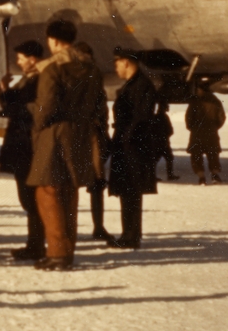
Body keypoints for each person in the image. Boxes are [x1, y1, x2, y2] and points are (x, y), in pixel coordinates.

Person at [26, 19, 107, 270]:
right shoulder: (91, 68)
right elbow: (98, 104)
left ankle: (58, 253)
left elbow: (45, 106)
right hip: (81, 134)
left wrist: (36, 124)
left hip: (54, 134)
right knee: (69, 192)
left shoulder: (53, 68)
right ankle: (67, 249)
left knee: (47, 192)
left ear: (53, 40)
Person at [0, 40, 46, 261]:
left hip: (27, 145)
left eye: (21, 58)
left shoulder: (39, 80)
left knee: (31, 199)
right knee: (28, 198)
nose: (18, 62)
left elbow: (28, 109)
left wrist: (12, 105)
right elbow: (14, 103)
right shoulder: (28, 79)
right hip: (22, 145)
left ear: (32, 59)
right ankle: (34, 243)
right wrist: (5, 90)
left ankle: (36, 244)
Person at [109, 47, 159, 248]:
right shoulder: (133, 85)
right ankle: (128, 234)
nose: (115, 68)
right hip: (126, 145)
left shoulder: (142, 86)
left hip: (134, 148)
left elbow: (142, 117)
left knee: (131, 192)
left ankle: (131, 236)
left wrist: (126, 138)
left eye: (117, 63)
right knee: (127, 192)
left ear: (126, 63)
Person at [72, 41, 115, 244]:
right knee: (95, 184)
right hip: (92, 135)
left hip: (85, 135)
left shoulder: (82, 74)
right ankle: (97, 226)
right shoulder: (94, 75)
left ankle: (83, 227)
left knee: (74, 183)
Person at [186, 83, 226, 184]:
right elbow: (222, 117)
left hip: (197, 134)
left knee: (196, 156)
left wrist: (192, 128)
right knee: (213, 155)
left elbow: (188, 118)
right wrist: (215, 127)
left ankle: (201, 178)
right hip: (211, 134)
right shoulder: (215, 101)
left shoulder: (194, 101)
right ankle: (215, 175)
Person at [150, 99, 179, 181]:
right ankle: (170, 175)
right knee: (169, 158)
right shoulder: (165, 117)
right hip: (164, 142)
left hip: (156, 142)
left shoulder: (155, 117)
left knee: (155, 159)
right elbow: (170, 130)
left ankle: (152, 176)